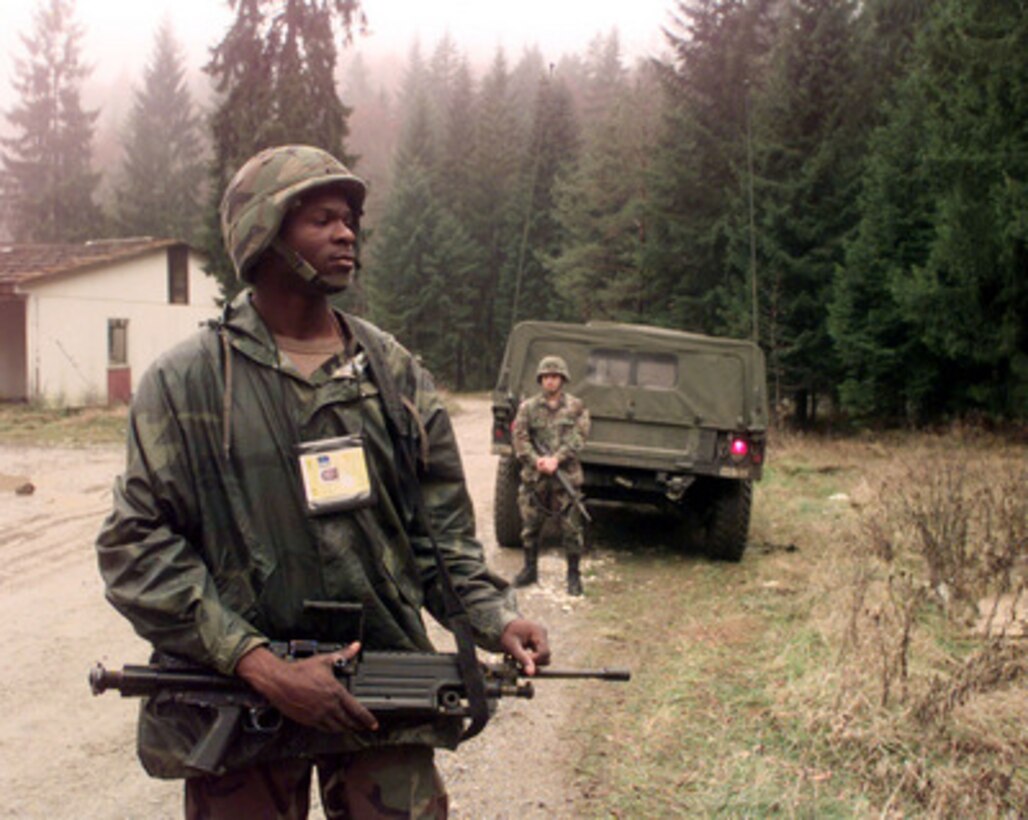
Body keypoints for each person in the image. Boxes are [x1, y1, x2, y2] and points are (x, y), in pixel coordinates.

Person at [95, 144, 550, 819]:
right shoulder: (187, 383)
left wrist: (498, 618)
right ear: (264, 232)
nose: (347, 234)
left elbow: (442, 542)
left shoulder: (394, 375)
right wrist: (259, 664)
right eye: (322, 219)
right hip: (242, 700)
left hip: (383, 698)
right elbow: (135, 548)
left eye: (351, 220)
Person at [511, 355, 591, 596]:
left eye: (555, 376)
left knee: (571, 529)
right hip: (535, 478)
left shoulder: (576, 407)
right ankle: (529, 569)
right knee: (530, 526)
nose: (550, 381)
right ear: (540, 379)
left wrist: (557, 459)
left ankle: (573, 576)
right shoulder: (527, 407)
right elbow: (519, 438)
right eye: (546, 376)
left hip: (565, 476)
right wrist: (537, 461)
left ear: (563, 379)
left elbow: (579, 437)